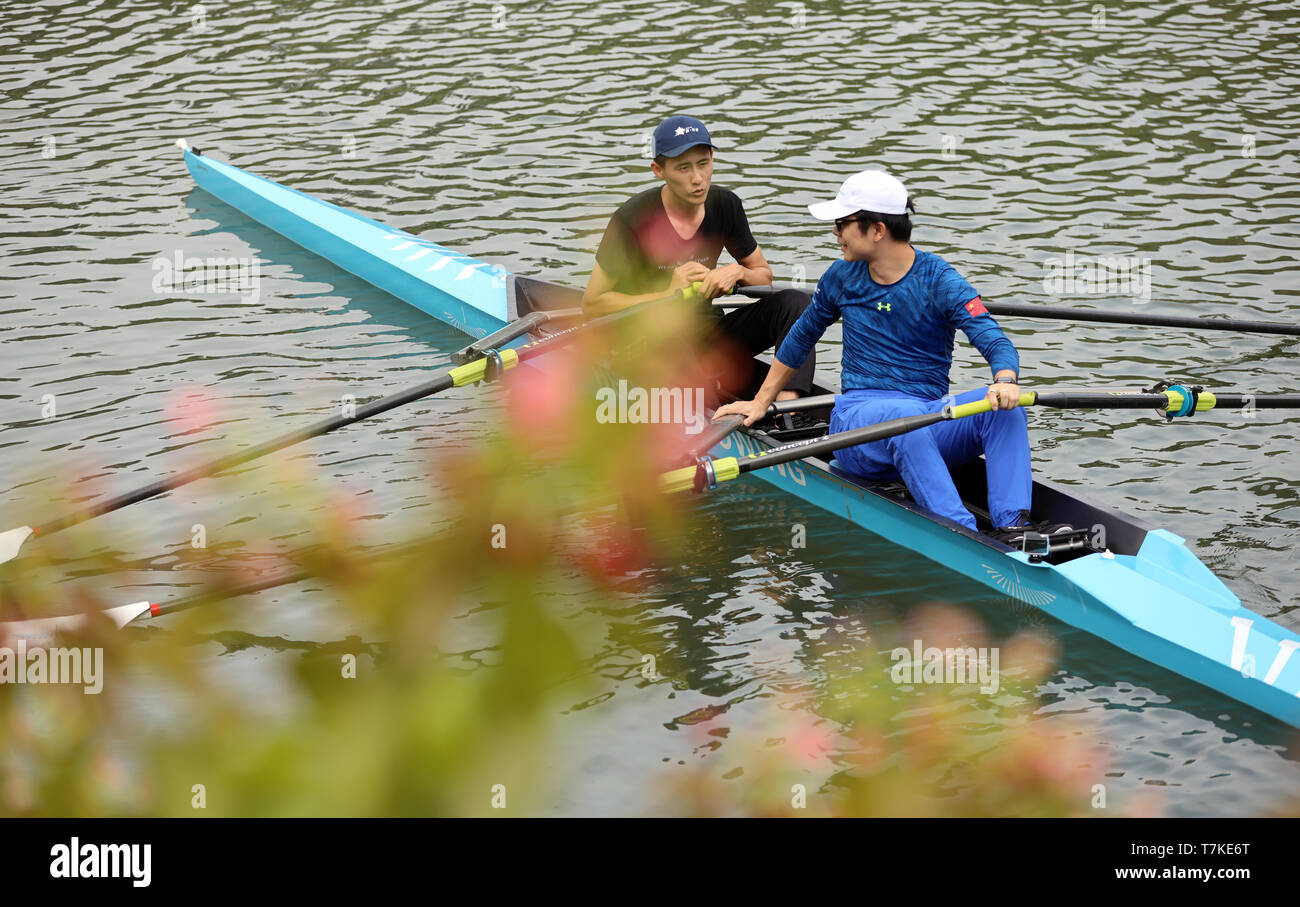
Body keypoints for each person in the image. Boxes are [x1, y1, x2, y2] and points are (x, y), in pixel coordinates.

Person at [713, 168, 1052, 540]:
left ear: (877, 230)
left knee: (1005, 411)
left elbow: (993, 338)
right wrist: (761, 402)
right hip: (858, 429)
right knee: (906, 418)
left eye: (842, 224)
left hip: (925, 418)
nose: (835, 233)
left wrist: (1005, 380)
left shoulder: (940, 280)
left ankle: (1013, 526)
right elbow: (799, 338)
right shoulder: (841, 278)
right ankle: (968, 538)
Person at [583, 115, 813, 402]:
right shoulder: (631, 220)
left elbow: (763, 276)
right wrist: (666, 292)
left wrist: (736, 272)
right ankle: (715, 415)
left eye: (703, 164)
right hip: (646, 340)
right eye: (683, 168)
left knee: (796, 304)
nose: (697, 178)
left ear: (713, 158)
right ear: (658, 170)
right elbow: (593, 304)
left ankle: (788, 407)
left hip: (707, 334)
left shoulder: (726, 205)